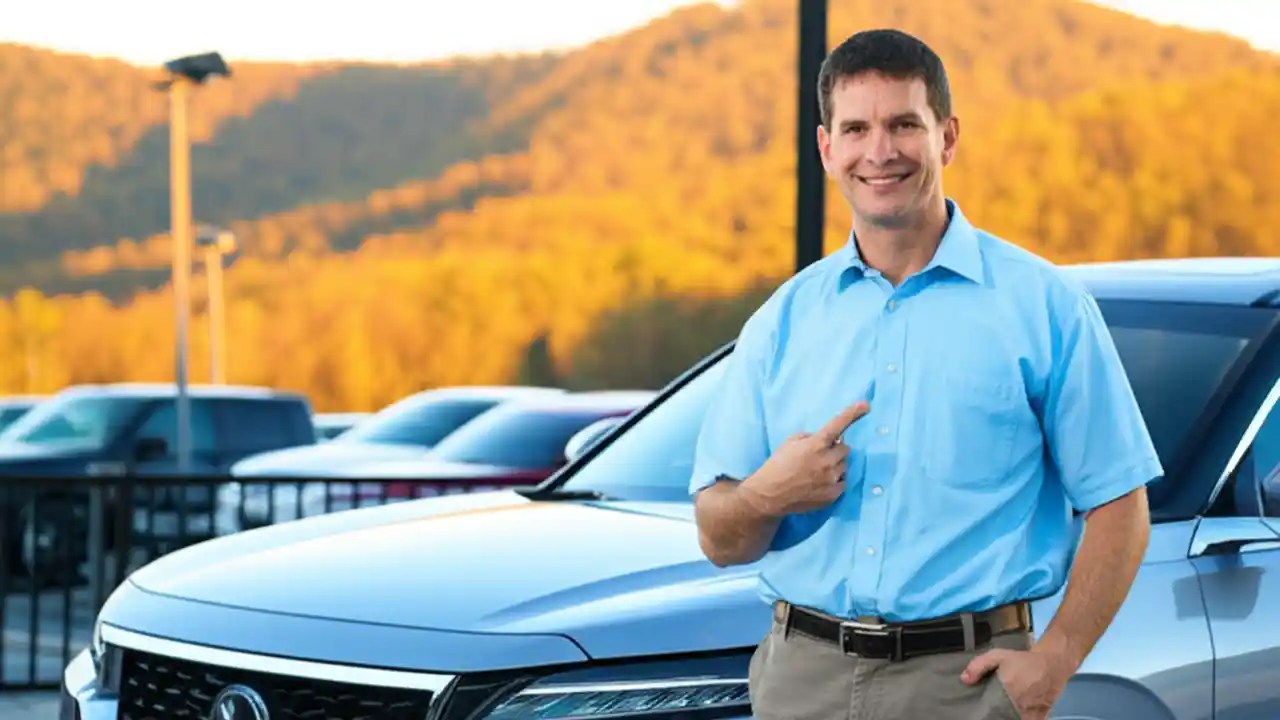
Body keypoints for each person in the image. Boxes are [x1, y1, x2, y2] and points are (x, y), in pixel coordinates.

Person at [689, 28, 1159, 720]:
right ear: (827, 148)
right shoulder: (781, 322)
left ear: (948, 137)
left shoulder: (1043, 306)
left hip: (964, 687)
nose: (880, 152)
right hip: (802, 683)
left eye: (904, 124)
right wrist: (765, 496)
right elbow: (717, 536)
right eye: (856, 128)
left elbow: (1120, 505)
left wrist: (1054, 660)